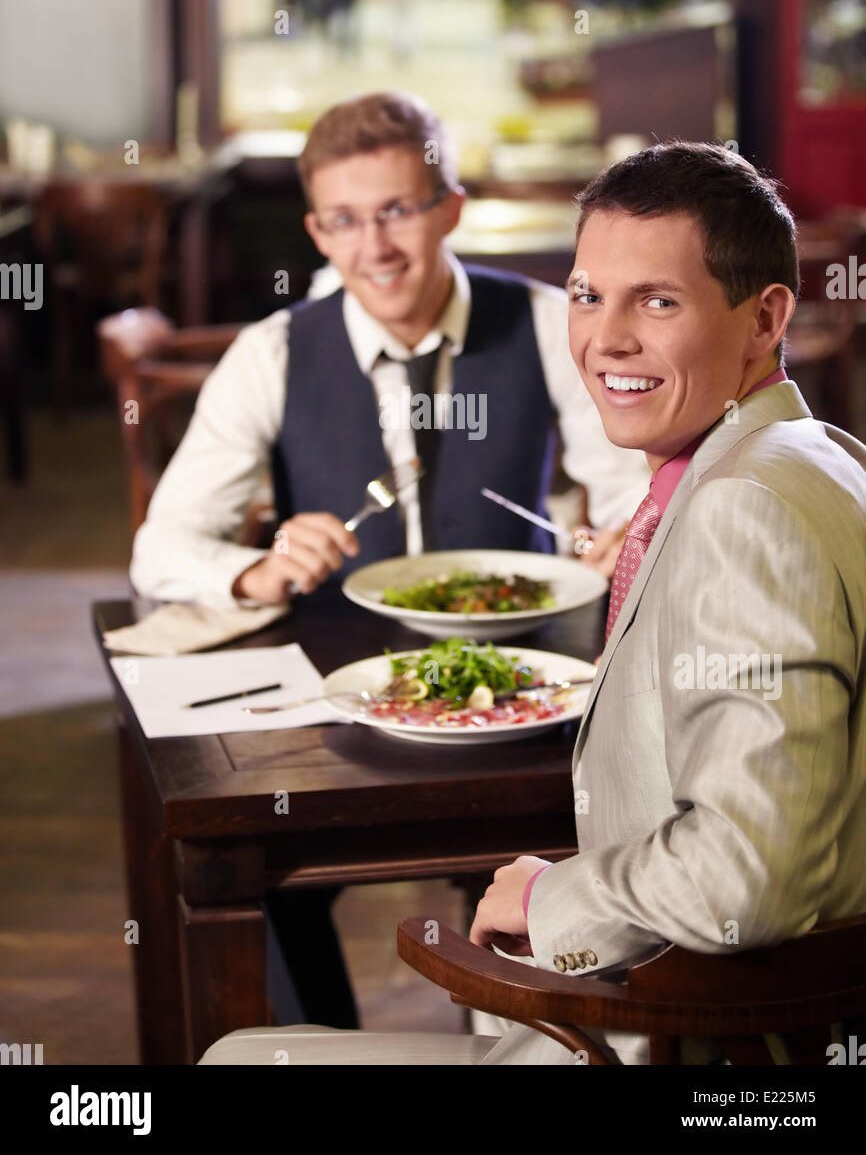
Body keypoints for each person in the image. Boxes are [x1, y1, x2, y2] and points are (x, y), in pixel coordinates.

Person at [198, 140, 866, 1065]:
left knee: (239, 1057)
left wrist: (555, 900)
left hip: (685, 1046)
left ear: (765, 319)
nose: (606, 339)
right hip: (682, 1011)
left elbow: (749, 873)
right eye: (588, 295)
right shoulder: (823, 455)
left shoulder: (741, 512)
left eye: (657, 301)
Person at [130, 91, 650, 1032]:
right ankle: (314, 1058)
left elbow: (627, 492)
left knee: (601, 847)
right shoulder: (274, 351)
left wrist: (627, 532)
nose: (374, 246)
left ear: (450, 208)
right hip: (339, 714)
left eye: (398, 210)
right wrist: (251, 571)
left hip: (529, 696)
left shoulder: (546, 322)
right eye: (344, 219)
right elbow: (161, 548)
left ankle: (535, 1048)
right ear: (316, 232)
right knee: (250, 885)